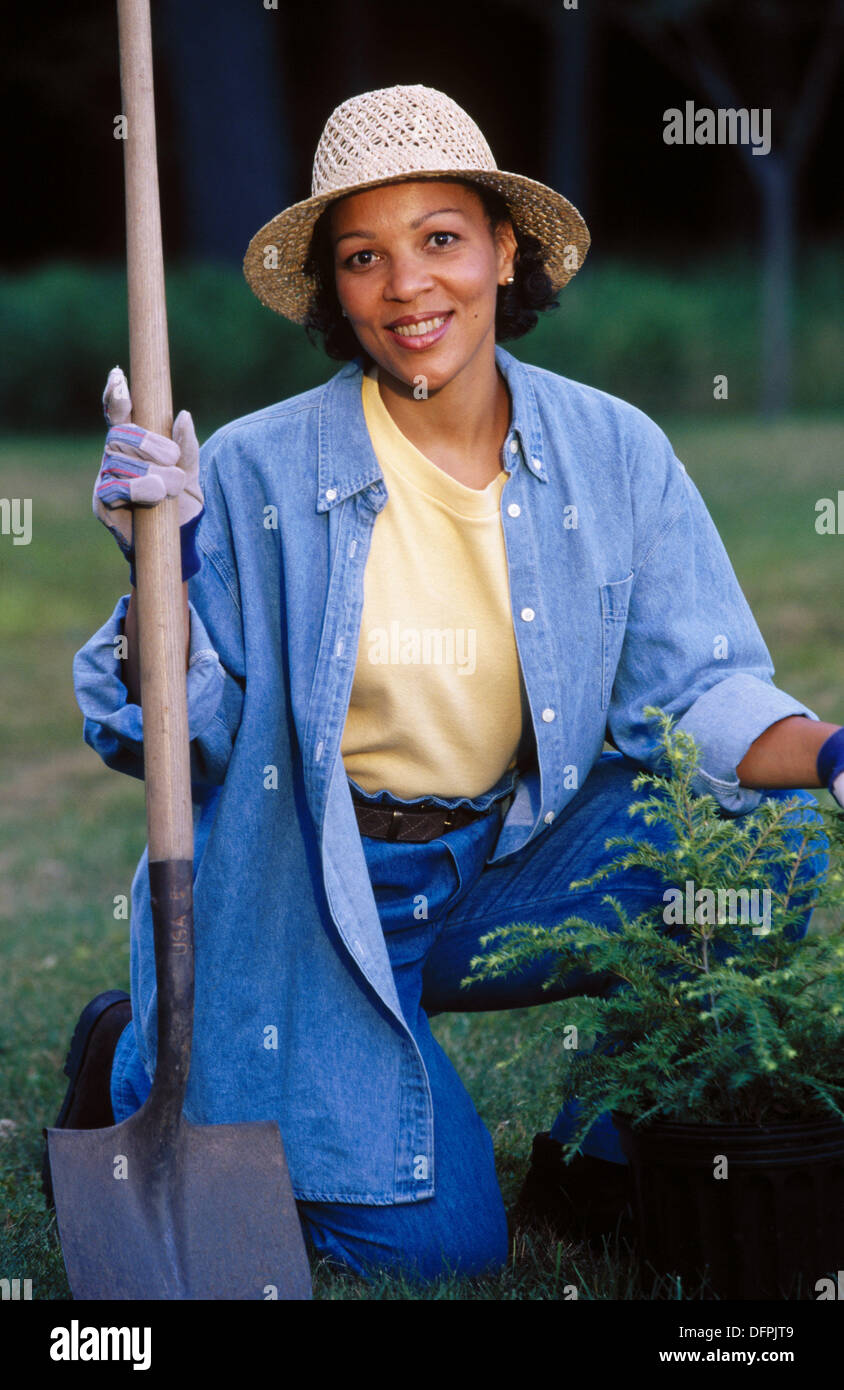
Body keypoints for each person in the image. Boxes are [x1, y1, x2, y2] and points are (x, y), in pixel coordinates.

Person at [46, 84, 844, 1286]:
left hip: (496, 867)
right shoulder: (255, 466)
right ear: (333, 289)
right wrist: (163, 560)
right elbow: (178, 739)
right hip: (303, 898)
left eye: (440, 239)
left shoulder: (612, 448)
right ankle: (138, 1043)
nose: (407, 286)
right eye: (363, 257)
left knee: (773, 838)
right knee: (442, 1253)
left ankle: (601, 1154)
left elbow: (697, 695)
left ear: (502, 248)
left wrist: (833, 755)